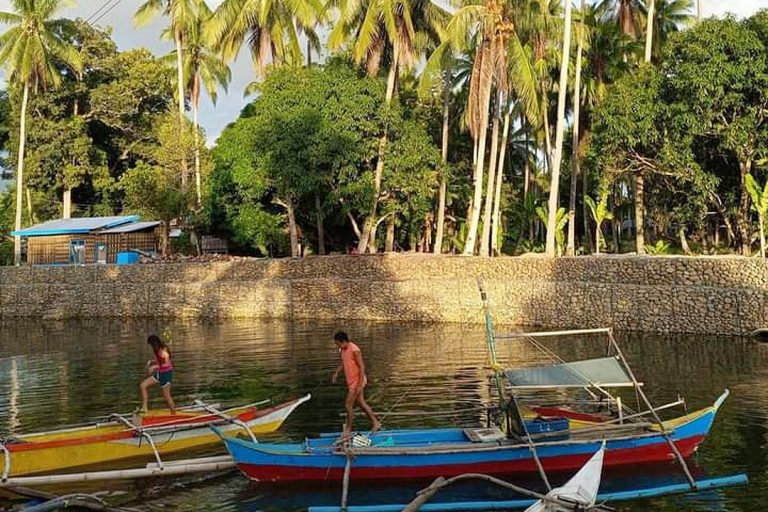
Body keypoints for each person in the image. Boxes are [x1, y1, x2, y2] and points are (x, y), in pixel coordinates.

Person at [332, 331, 381, 440]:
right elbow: (344, 361)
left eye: (338, 344)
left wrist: (359, 385)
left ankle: (348, 430)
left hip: (357, 381)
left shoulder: (355, 350)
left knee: (348, 405)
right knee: (361, 403)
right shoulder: (343, 349)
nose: (338, 346)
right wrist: (337, 372)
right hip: (351, 381)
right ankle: (375, 422)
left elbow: (362, 367)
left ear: (343, 341)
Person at [139, 334, 176, 414]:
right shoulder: (156, 350)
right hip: (159, 373)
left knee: (166, 396)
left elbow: (167, 364)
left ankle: (173, 413)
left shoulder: (163, 350)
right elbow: (159, 360)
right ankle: (144, 407)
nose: (151, 347)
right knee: (143, 385)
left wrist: (154, 367)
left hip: (166, 374)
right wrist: (151, 362)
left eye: (151, 345)